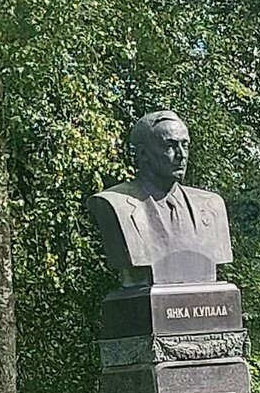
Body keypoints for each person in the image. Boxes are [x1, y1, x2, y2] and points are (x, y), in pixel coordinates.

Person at [88, 111, 232, 286]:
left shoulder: (212, 205)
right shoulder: (115, 203)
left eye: (185, 145)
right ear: (143, 154)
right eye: (170, 146)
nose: (181, 155)